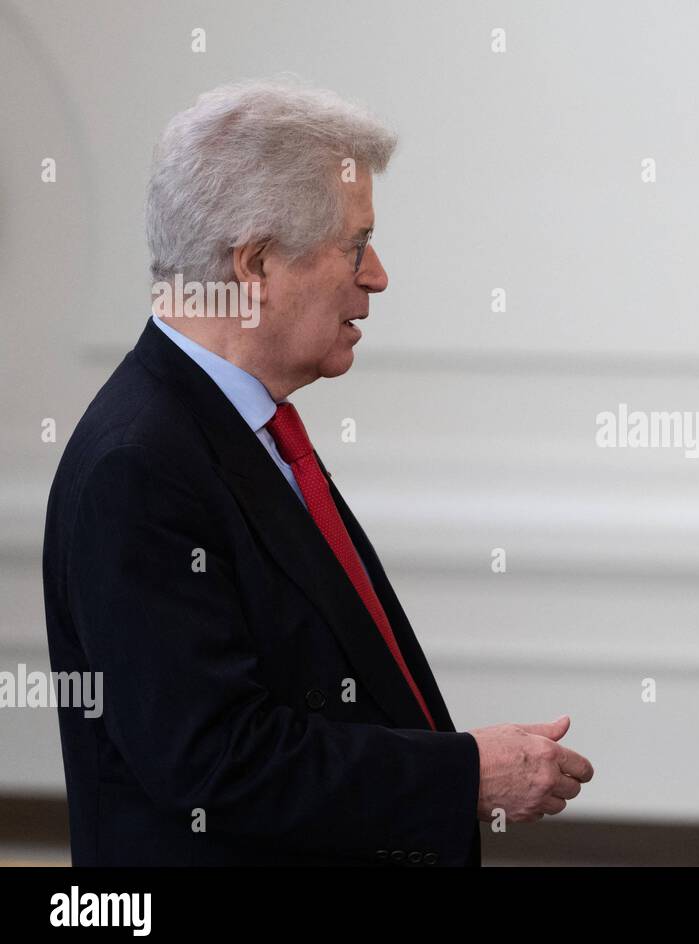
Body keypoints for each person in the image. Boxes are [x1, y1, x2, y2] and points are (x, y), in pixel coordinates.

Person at [42, 78, 592, 866]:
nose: (377, 277)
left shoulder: (238, 426)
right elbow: (217, 761)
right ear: (257, 263)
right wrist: (466, 774)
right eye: (355, 247)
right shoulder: (140, 464)